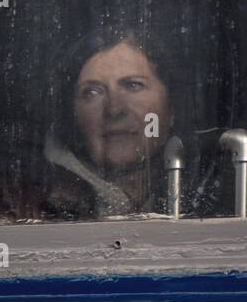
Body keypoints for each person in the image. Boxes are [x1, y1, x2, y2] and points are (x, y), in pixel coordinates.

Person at [38, 26, 179, 220]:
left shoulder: (216, 193)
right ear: (74, 115)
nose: (114, 109)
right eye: (92, 92)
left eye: (133, 85)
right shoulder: (37, 203)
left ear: (171, 107)